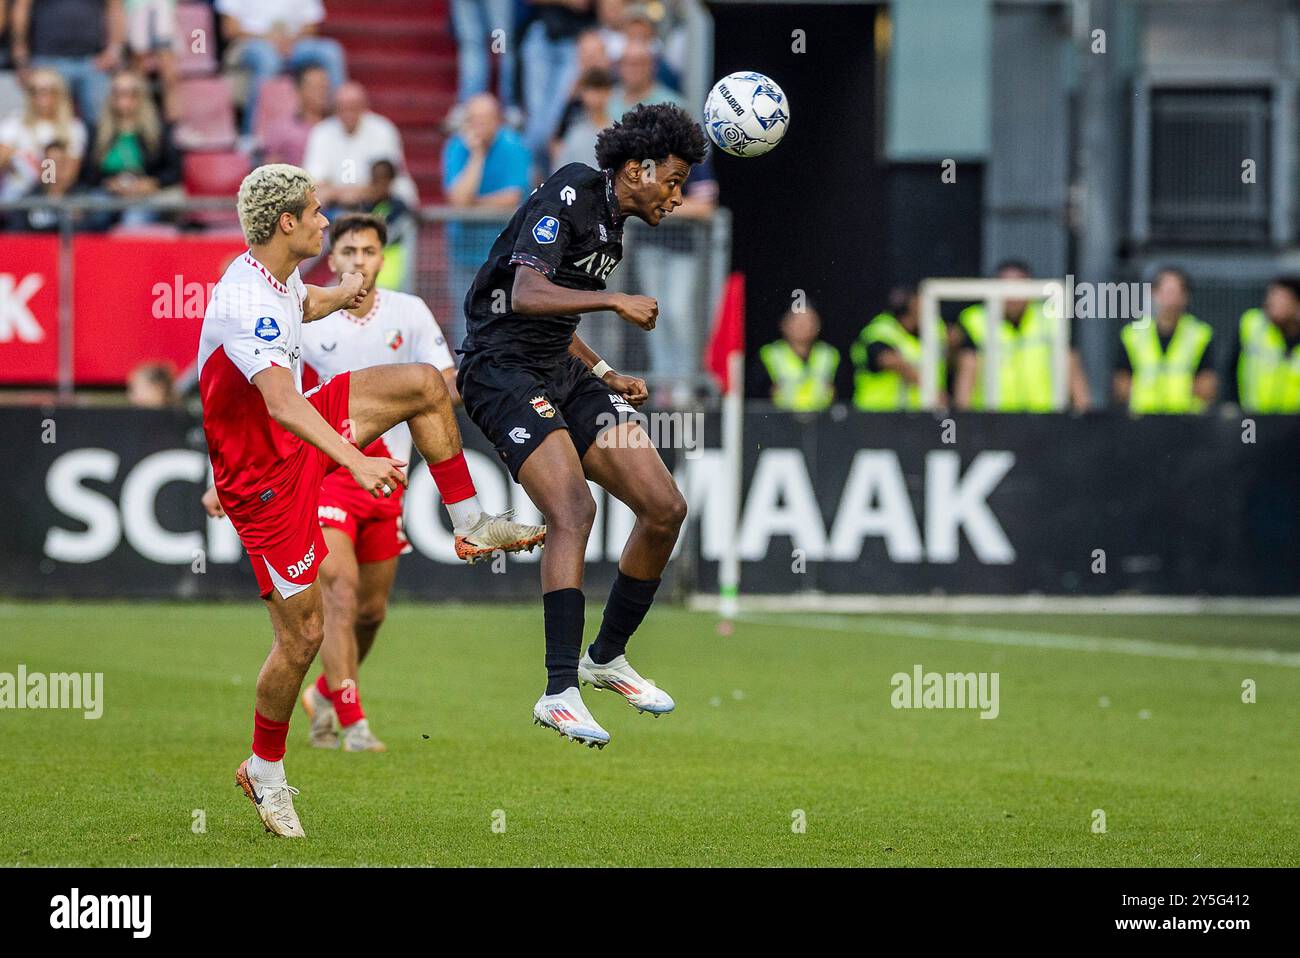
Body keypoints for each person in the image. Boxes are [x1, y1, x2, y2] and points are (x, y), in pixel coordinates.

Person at [197, 163, 544, 837]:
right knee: (303, 637)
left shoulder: (277, 277)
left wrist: (346, 288)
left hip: (296, 436)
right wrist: (356, 459)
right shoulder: (243, 300)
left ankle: (470, 524)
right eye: (318, 212)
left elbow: (306, 305)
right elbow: (282, 400)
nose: (328, 222)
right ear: (286, 223)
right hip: (264, 479)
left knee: (422, 384)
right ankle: (264, 768)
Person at [457, 102, 707, 748]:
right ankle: (559, 691)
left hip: (562, 372)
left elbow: (555, 323)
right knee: (573, 509)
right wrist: (614, 300)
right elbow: (525, 295)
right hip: (500, 371)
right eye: (673, 180)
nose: (677, 196)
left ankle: (606, 657)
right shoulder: (570, 188)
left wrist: (604, 370)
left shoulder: (615, 225)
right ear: (636, 169)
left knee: (664, 506)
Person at [294, 213, 463, 753]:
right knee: (338, 594)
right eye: (348, 251)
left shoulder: (408, 312)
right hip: (326, 475)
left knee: (370, 612)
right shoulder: (310, 317)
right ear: (332, 258)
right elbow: (276, 396)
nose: (359, 261)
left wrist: (408, 403)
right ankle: (353, 720)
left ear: (380, 258)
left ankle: (325, 691)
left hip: (387, 479)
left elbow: (447, 382)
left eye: (369, 251)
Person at [442, 92, 531, 346]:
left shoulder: (514, 146)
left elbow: (511, 197)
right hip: (464, 254)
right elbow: (458, 199)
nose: (478, 125)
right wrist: (477, 155)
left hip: (503, 257)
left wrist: (472, 204)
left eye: (485, 119)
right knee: (466, 324)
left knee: (503, 323)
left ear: (498, 120)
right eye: (473, 120)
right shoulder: (458, 147)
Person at [953, 260, 1091, 412]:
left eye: (1019, 288)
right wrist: (963, 419)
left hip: (1046, 418)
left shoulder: (1050, 318)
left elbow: (1070, 364)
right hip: (992, 420)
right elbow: (967, 370)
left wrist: (1084, 414)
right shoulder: (976, 320)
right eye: (1007, 289)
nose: (1013, 297)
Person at [216, 0, 346, 136]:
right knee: (268, 60)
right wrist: (268, 39)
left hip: (294, 43)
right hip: (249, 43)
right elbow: (230, 29)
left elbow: (311, 26)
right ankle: (251, 135)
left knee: (331, 52)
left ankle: (338, 125)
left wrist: (290, 41)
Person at [81, 69, 181, 228]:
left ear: (140, 97)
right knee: (96, 208)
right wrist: (109, 183)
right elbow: (87, 173)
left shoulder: (157, 131)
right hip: (108, 193)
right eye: (118, 93)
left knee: (134, 218)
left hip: (146, 194)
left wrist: (152, 183)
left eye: (130, 93)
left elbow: (174, 170)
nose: (124, 99)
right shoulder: (98, 131)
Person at [303, 82, 417, 212]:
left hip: (381, 205)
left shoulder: (383, 129)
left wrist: (347, 193)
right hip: (335, 207)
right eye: (343, 108)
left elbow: (384, 183)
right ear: (335, 108)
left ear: (364, 106)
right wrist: (343, 195)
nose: (348, 113)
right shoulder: (321, 132)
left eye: (353, 107)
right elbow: (314, 182)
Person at [1114, 267, 1215, 414]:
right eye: (1165, 291)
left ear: (1185, 296)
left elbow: (1207, 386)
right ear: (1153, 294)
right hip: (1144, 418)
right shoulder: (1133, 334)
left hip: (1187, 420)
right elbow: (1121, 384)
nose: (1170, 299)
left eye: (1175, 292)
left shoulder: (1199, 334)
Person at [10, 0, 124, 126]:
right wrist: (21, 55)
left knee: (101, 122)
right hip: (48, 60)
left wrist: (114, 50)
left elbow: (115, 6)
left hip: (94, 62)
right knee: (46, 122)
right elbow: (22, 7)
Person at [851, 286, 946, 410]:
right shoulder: (881, 329)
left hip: (914, 415)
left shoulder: (931, 331)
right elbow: (887, 360)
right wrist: (930, 390)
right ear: (913, 304)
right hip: (876, 414)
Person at [0, 67, 87, 200]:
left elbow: (69, 174)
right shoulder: (15, 122)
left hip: (51, 194)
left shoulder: (73, 128)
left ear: (59, 93)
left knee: (53, 157)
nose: (40, 96)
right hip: (15, 195)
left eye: (47, 90)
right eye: (34, 90)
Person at [1232, 276, 1300, 413]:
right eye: (1271, 296)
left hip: (1295, 424)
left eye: (1282, 299)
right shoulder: (1252, 325)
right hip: (1253, 419)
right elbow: (1230, 368)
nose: (1271, 303)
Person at [758, 305, 839, 411]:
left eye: (809, 321)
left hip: (821, 420)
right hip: (780, 420)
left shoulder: (828, 355)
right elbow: (757, 396)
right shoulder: (770, 354)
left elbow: (841, 392)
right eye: (797, 321)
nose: (803, 326)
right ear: (784, 324)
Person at [261, 64, 332, 167]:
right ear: (299, 90)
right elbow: (269, 170)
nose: (322, 93)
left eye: (325, 87)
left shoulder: (338, 126)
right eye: (316, 88)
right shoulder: (281, 129)